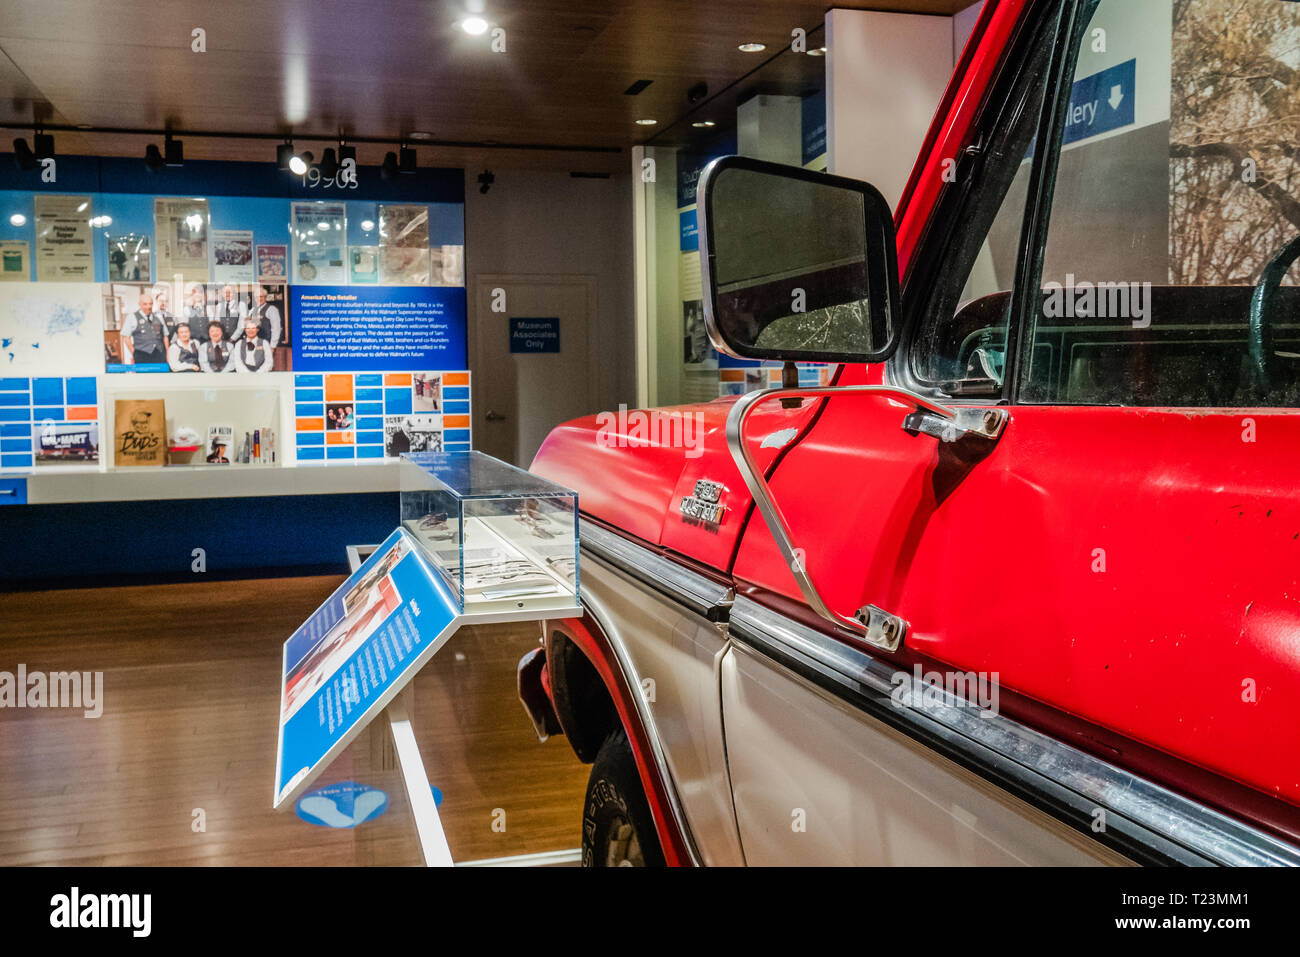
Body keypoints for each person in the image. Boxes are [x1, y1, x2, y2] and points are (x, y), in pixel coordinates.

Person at [119, 288, 168, 367]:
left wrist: (167, 354)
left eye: (150, 304)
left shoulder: (158, 317)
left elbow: (165, 336)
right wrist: (134, 353)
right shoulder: (132, 317)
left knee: (160, 378)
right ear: (140, 304)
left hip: (159, 354)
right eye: (145, 304)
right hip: (142, 355)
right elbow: (126, 337)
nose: (148, 306)